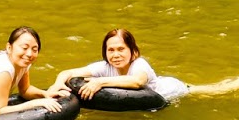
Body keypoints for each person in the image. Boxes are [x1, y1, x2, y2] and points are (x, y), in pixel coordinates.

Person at [49, 28, 189, 103]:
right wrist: (57, 84)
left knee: (196, 93)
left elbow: (137, 82)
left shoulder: (140, 64)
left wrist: (99, 82)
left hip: (172, 90)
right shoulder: (104, 66)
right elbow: (67, 73)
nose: (116, 55)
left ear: (133, 52)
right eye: (111, 50)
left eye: (121, 49)